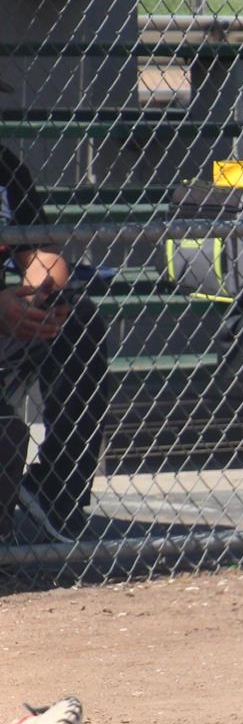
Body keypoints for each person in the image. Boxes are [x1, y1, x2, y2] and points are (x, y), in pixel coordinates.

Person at [0, 140, 108, 543]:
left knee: (78, 318)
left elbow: (42, 253)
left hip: (6, 319)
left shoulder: (5, 165)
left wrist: (44, 294)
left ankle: (55, 487)